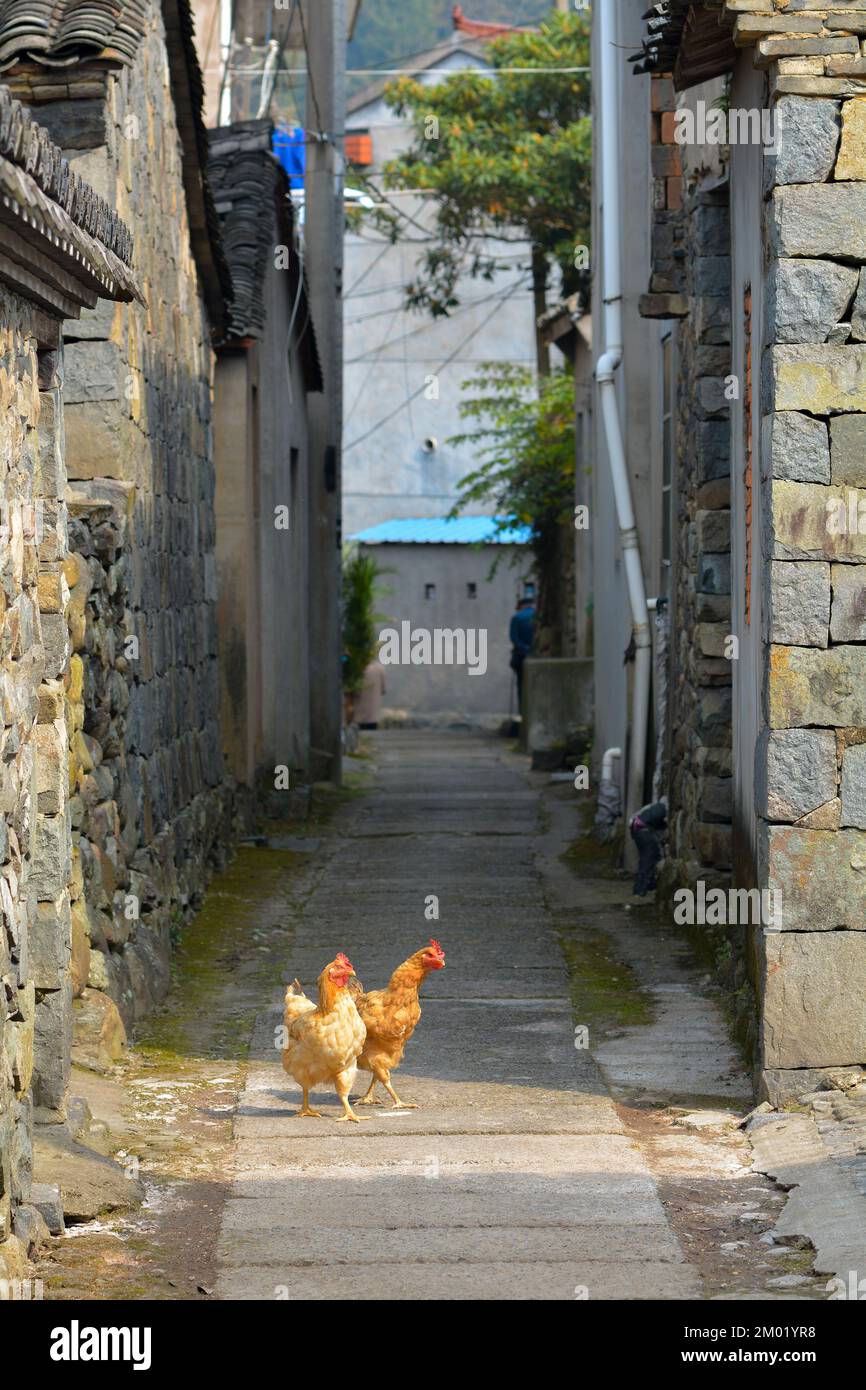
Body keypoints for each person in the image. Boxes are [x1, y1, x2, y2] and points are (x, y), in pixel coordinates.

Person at [629, 799, 667, 897]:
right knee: (648, 860)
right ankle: (640, 890)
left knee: (652, 857)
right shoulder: (662, 808)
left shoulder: (653, 806)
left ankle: (650, 885)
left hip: (637, 829)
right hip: (643, 830)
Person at [509, 596, 535, 706]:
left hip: (521, 656)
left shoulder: (517, 618)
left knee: (521, 685)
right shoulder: (538, 616)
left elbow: (513, 638)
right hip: (537, 655)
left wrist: (525, 649)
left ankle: (523, 711)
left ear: (521, 606)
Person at [354, 656, 386, 730]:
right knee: (372, 736)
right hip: (373, 715)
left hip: (357, 715)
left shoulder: (355, 668)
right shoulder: (380, 669)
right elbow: (383, 690)